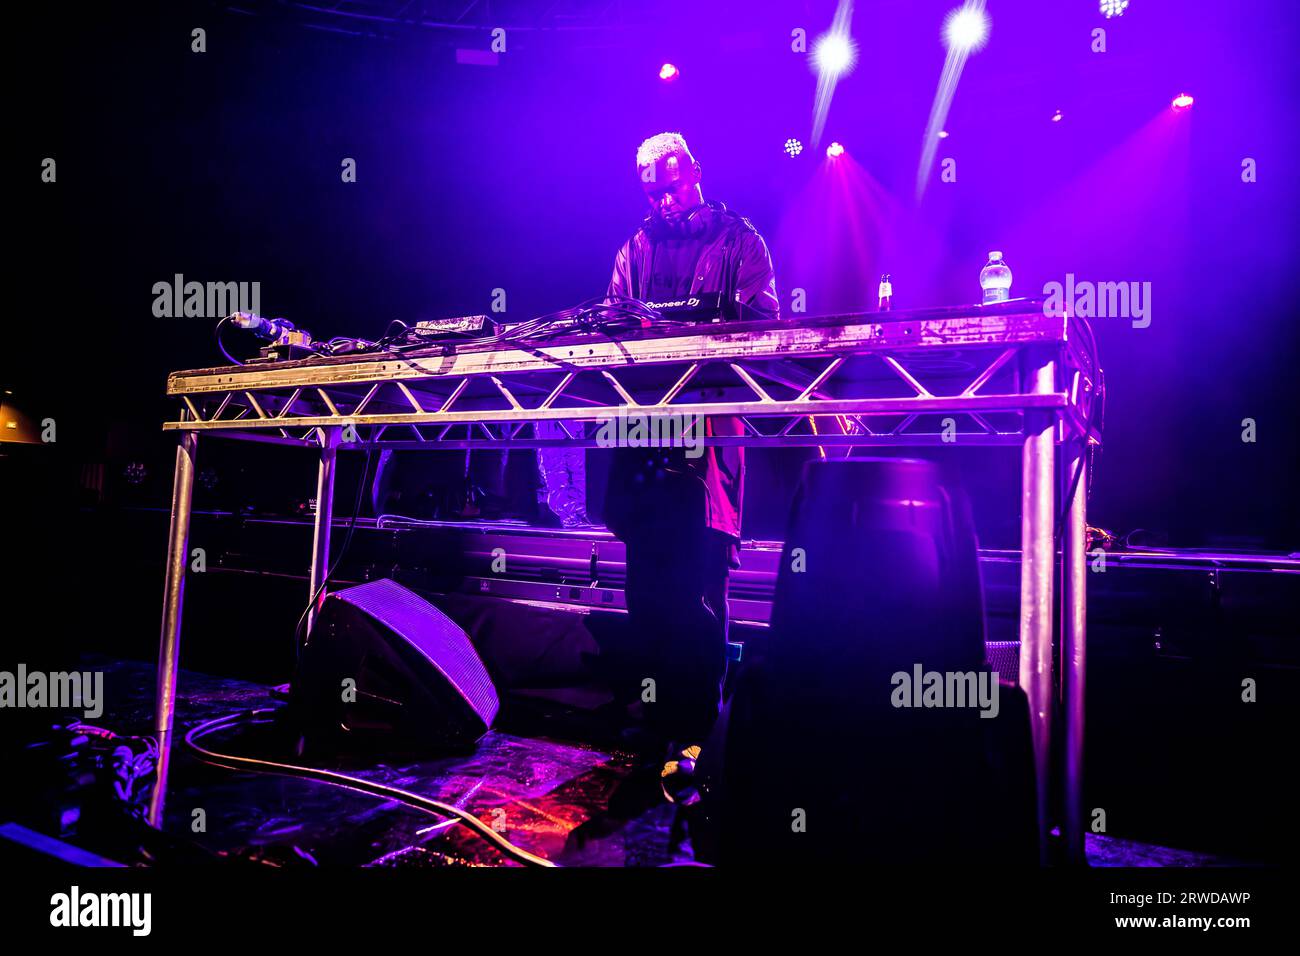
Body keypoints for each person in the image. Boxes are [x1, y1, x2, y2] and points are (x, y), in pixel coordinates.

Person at [603, 132, 779, 798]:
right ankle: (657, 729)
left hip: (707, 439)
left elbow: (768, 329)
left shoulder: (741, 242)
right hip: (645, 438)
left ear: (696, 173)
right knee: (646, 592)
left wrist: (710, 331)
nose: (663, 200)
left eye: (671, 186)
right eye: (651, 191)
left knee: (702, 596)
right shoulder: (635, 250)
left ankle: (701, 736)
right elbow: (610, 332)